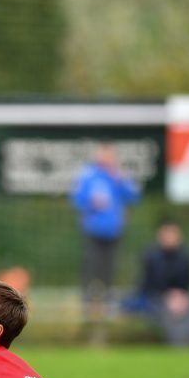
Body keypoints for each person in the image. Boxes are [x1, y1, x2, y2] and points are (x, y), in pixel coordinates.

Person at [71, 143, 140, 343]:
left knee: (109, 272)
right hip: (93, 232)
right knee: (91, 270)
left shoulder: (118, 176)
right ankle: (87, 308)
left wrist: (122, 180)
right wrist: (92, 202)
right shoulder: (89, 175)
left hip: (113, 232)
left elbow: (134, 197)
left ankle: (108, 308)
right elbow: (77, 198)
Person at [122, 220, 189, 346]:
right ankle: (176, 345)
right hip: (155, 298)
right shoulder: (151, 256)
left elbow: (186, 283)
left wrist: (179, 296)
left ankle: (186, 344)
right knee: (167, 310)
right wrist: (167, 296)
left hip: (179, 298)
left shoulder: (185, 257)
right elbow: (146, 284)